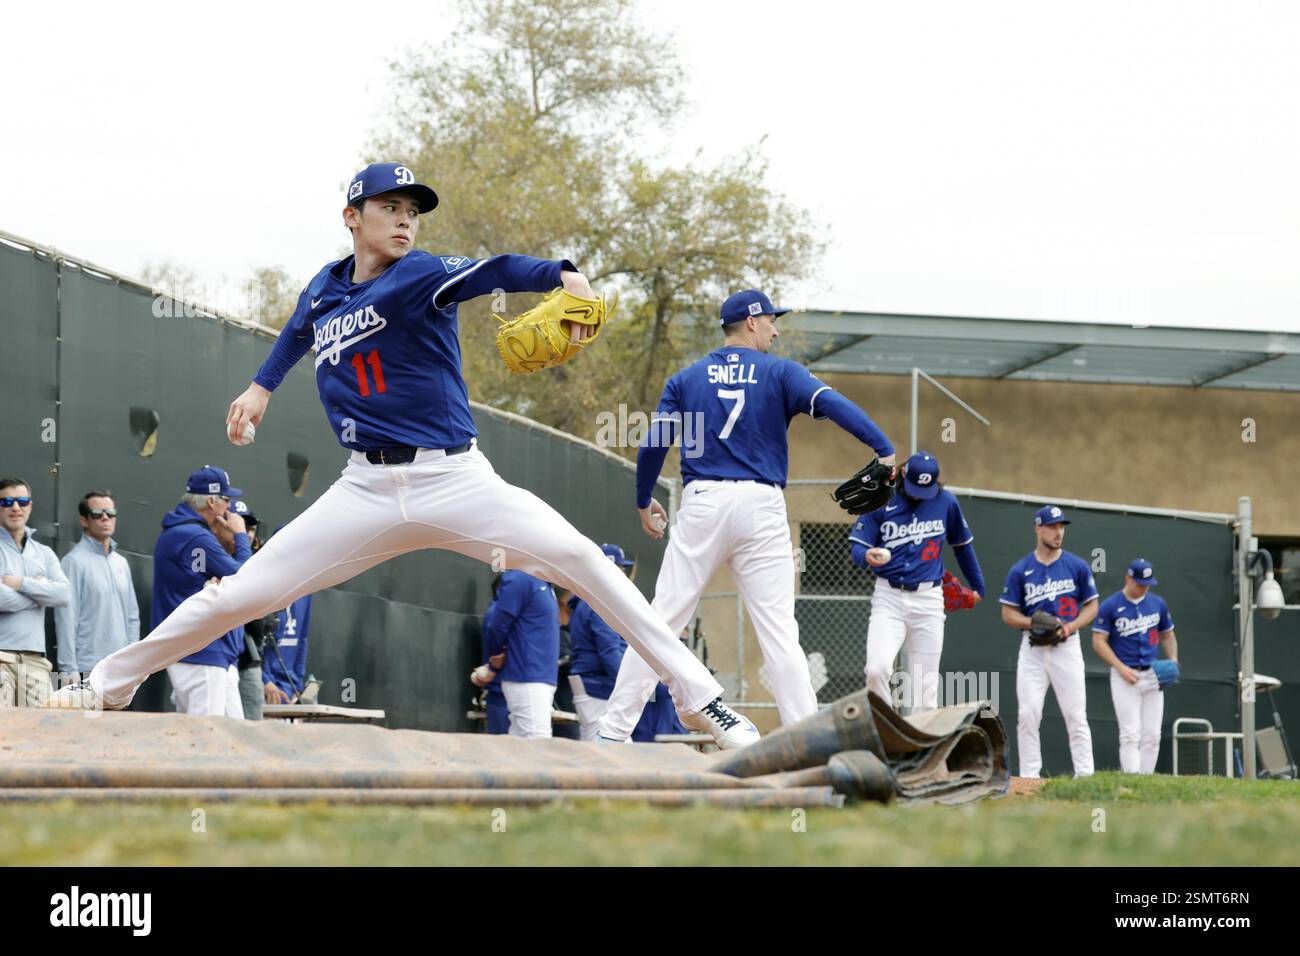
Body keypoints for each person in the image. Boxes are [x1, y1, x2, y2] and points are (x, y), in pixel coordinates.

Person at [49, 161, 757, 749]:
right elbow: (298, 330)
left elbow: (493, 271)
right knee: (241, 594)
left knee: (580, 560)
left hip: (454, 477)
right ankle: (107, 685)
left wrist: (561, 273)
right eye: (388, 205)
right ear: (351, 216)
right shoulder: (326, 287)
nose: (404, 218)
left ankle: (700, 699)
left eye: (412, 209)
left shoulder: (418, 275)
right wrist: (260, 389)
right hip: (364, 491)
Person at [596, 289, 895, 741]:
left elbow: (655, 441)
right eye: (772, 320)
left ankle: (612, 732)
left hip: (704, 502)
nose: (776, 329)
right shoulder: (780, 372)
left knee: (661, 622)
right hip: (761, 507)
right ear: (752, 322)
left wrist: (643, 498)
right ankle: (809, 743)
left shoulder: (688, 378)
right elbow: (833, 404)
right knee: (779, 633)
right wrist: (884, 448)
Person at [849, 451, 984, 713]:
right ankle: (888, 729)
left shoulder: (945, 501)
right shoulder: (881, 500)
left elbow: (962, 545)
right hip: (889, 597)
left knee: (925, 689)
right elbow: (857, 546)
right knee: (876, 669)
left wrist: (978, 586)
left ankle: (922, 750)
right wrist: (866, 555)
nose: (920, 494)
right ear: (902, 474)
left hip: (929, 599)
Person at [999, 505, 1099, 778]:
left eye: (1061, 527)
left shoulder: (1076, 566)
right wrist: (1032, 623)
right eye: (1053, 526)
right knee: (1028, 714)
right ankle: (1030, 778)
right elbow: (1007, 613)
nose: (1058, 532)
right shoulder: (1021, 570)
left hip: (1067, 647)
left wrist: (1069, 627)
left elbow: (1092, 607)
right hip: (1032, 650)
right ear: (1038, 528)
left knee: (1076, 715)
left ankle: (1085, 776)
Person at [155, 467, 252, 718]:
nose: (229, 509)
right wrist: (240, 535)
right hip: (202, 652)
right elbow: (245, 578)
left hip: (195, 650)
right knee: (206, 741)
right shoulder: (194, 535)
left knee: (230, 737)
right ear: (211, 501)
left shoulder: (181, 530)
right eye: (226, 500)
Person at [570, 544, 685, 741]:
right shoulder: (598, 601)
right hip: (597, 688)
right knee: (608, 752)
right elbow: (610, 652)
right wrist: (631, 688)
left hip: (596, 686)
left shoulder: (594, 598)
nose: (624, 574)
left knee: (609, 749)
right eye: (620, 569)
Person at [1091, 559, 1179, 774]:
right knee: (1130, 734)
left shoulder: (1157, 603)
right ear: (1128, 578)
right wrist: (1121, 668)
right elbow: (1098, 641)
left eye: (1147, 583)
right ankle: (1132, 780)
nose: (1144, 587)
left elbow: (1167, 635)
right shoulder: (1110, 606)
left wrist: (1173, 660)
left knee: (1152, 735)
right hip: (1124, 675)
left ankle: (1145, 782)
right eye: (1140, 583)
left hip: (1152, 674)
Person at [55, 490, 140, 679]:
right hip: (86, 668)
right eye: (97, 514)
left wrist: (134, 661)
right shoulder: (73, 562)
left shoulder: (121, 563)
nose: (105, 518)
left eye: (110, 513)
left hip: (121, 669)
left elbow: (132, 617)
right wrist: (69, 670)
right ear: (84, 520)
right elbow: (66, 620)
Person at [0, 477, 69, 707]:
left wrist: (21, 584)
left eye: (22, 500)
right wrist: (40, 597)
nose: (15, 507)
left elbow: (63, 595)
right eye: (7, 501)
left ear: (30, 505)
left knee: (42, 731)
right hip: (1, 657)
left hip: (36, 660)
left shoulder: (44, 553)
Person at [473, 568, 559, 738]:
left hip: (539, 678)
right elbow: (496, 625)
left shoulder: (544, 582)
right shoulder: (522, 578)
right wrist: (494, 662)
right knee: (537, 743)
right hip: (526, 677)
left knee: (521, 745)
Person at [229, 499, 269, 718]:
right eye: (241, 526)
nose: (247, 533)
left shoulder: (260, 564)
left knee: (252, 725)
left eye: (250, 528)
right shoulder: (216, 557)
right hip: (221, 659)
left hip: (249, 657)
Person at [263, 594, 313, 705]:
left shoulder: (307, 594)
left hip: (291, 686)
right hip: (269, 686)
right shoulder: (273, 588)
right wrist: (265, 680)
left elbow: (302, 640)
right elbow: (260, 639)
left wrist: (298, 687)